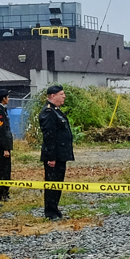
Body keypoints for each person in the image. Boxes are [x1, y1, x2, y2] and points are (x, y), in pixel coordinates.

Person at [40, 85, 75, 220]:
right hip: (54, 156)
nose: (64, 96)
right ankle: (50, 212)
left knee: (58, 183)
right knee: (52, 183)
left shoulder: (56, 111)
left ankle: (54, 208)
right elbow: (49, 136)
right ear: (53, 96)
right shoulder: (48, 112)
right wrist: (51, 157)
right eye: (61, 94)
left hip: (61, 155)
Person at [0, 91, 14, 201]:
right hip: (2, 146)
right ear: (3, 98)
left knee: (6, 169)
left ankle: (5, 191)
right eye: (7, 97)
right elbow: (1, 130)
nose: (8, 99)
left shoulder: (3, 110)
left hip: (5, 144)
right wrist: (5, 148)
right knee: (3, 170)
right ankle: (2, 192)